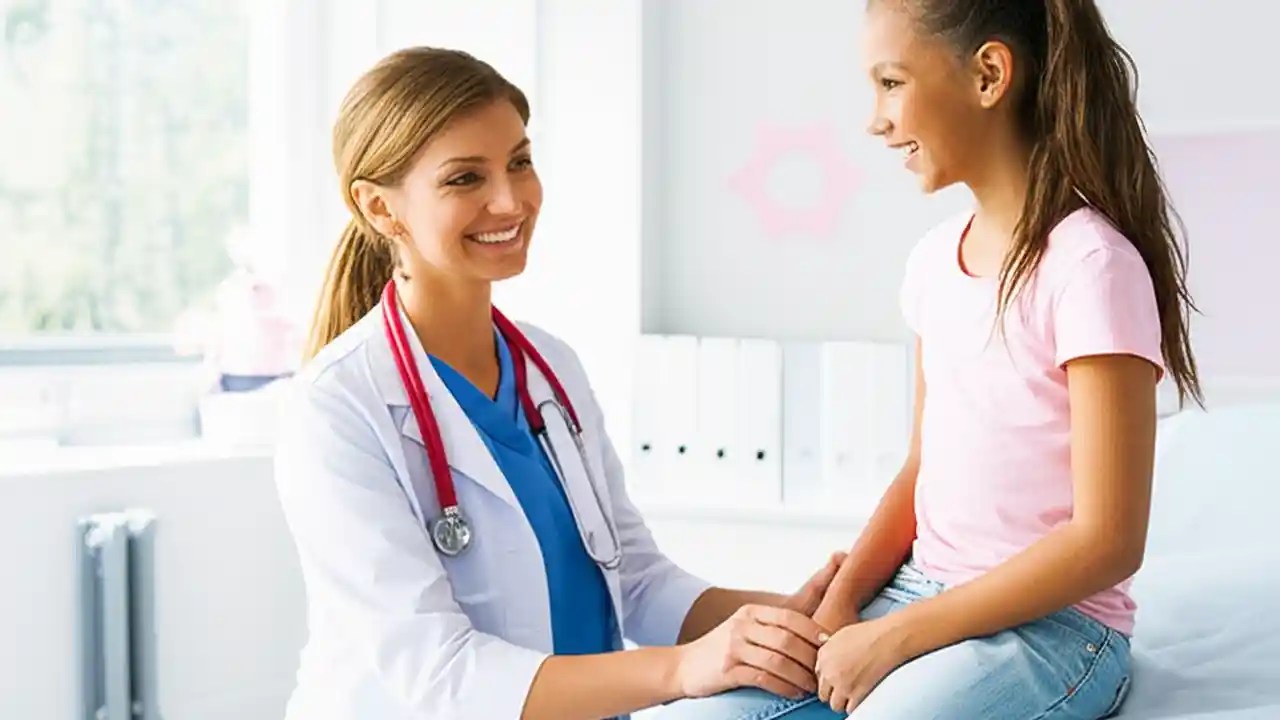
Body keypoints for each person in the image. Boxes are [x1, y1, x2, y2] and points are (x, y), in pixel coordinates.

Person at [656, 0, 1201, 718]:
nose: (874, 120)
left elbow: (1107, 541)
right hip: (918, 594)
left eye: (891, 83)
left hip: (1056, 630)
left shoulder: (1092, 267)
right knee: (699, 713)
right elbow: (922, 470)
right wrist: (842, 605)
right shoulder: (932, 264)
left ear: (988, 75)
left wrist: (900, 639)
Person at [272, 47, 847, 720]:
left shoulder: (549, 368)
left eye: (519, 161)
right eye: (464, 178)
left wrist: (783, 620)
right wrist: (686, 669)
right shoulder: (336, 409)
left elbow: (634, 581)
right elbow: (441, 671)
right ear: (379, 207)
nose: (510, 200)